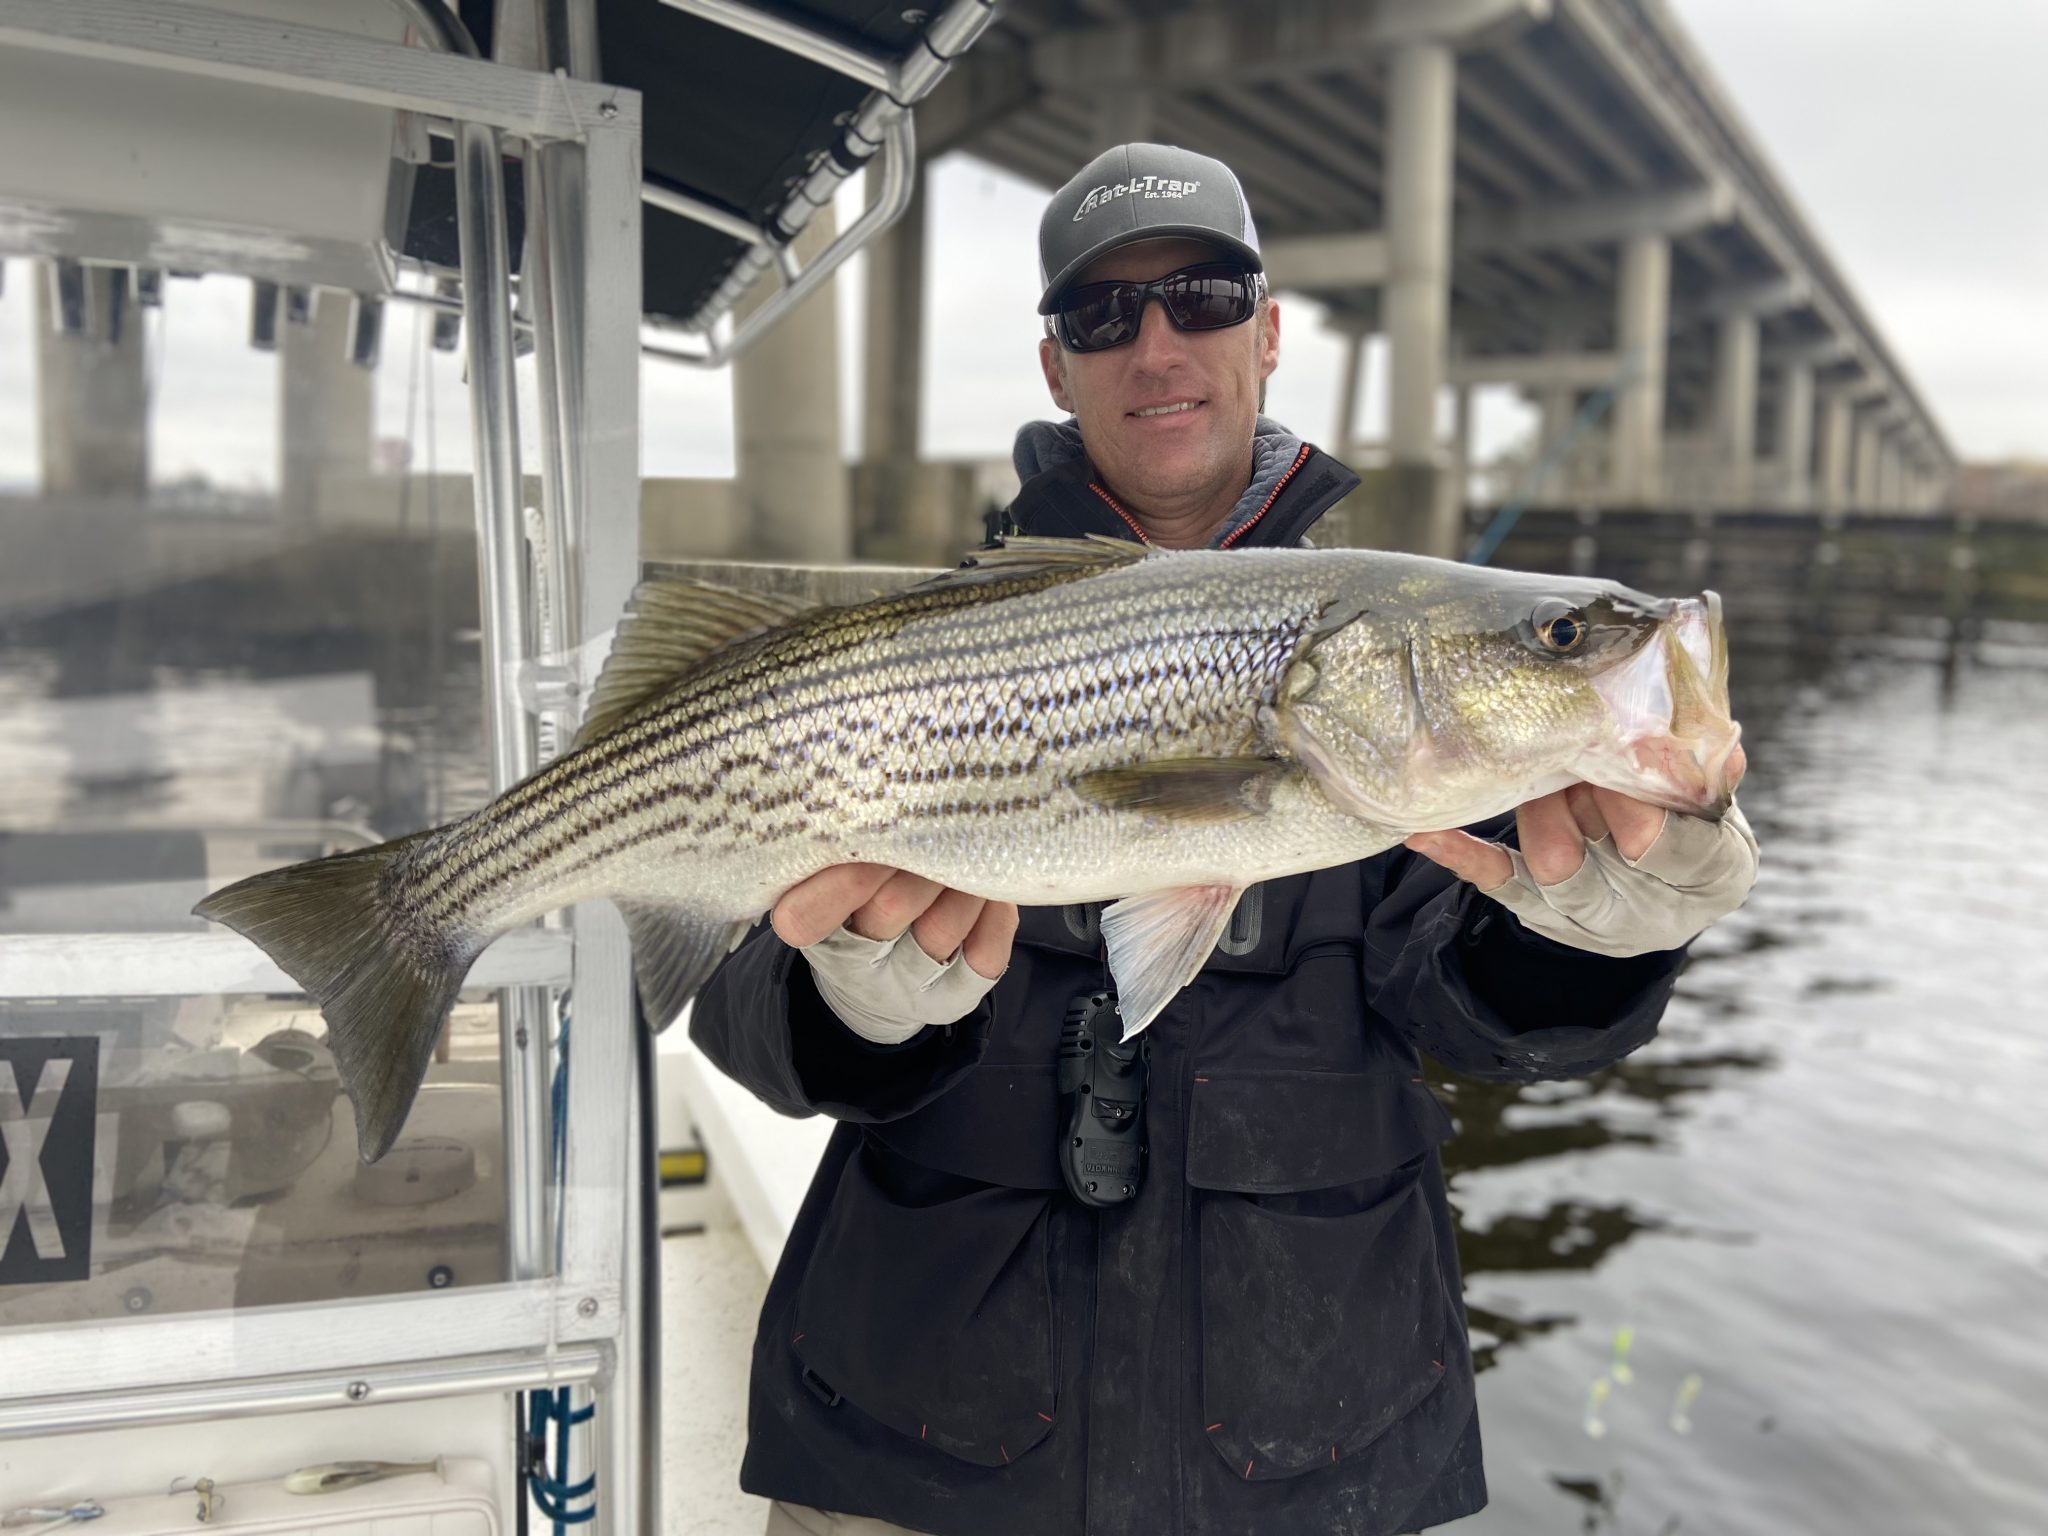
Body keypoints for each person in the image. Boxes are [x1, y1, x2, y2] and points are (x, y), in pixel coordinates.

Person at [691, 143, 1759, 1536]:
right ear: (1056, 366)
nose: (1156, 345)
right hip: (915, 1456)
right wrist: (851, 1015)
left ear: (1266, 336)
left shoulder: (1415, 687)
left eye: (1201, 297)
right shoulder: (918, 648)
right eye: (1102, 314)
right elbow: (733, 1014)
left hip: (1309, 1463)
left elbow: (1486, 1015)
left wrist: (1598, 942)